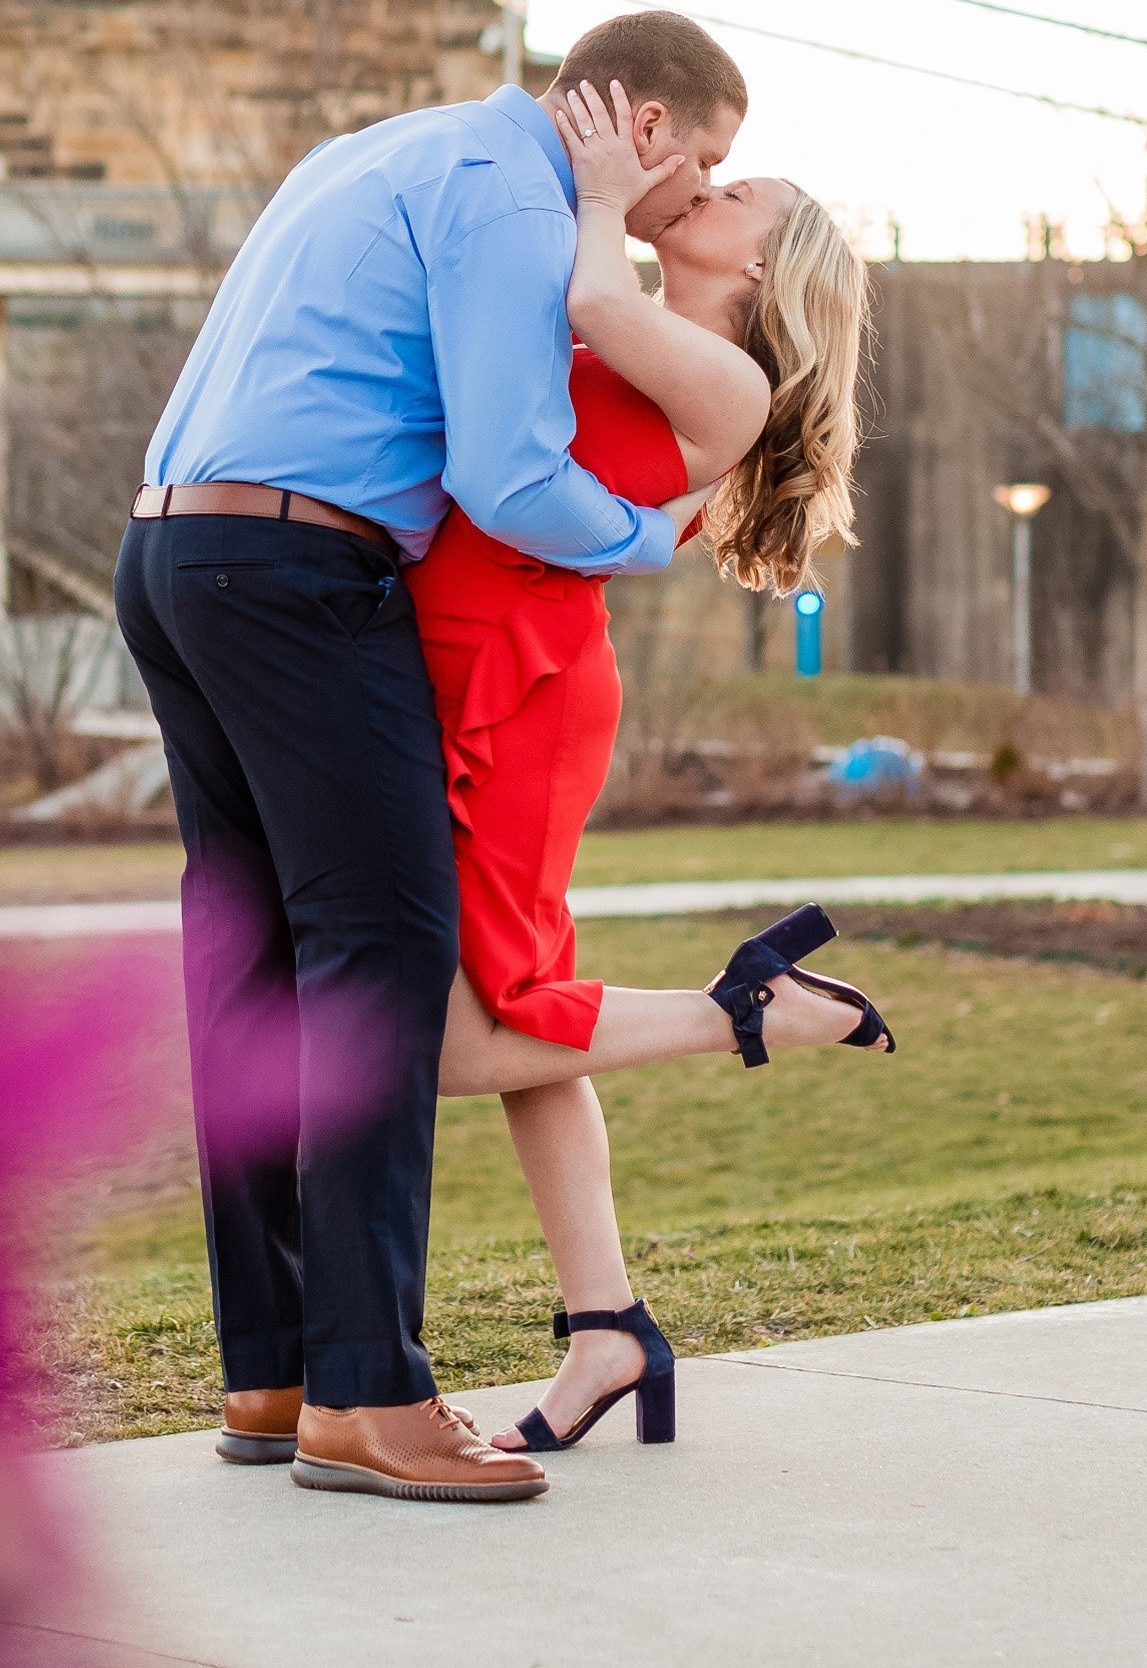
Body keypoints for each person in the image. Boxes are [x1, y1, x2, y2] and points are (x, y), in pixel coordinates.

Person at [113, 11, 741, 1505]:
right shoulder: (521, 200)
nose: (689, 199)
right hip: (300, 573)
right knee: (384, 949)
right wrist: (652, 536)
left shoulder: (388, 146)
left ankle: (271, 1370)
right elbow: (509, 470)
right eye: (703, 162)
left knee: (254, 968)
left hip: (175, 550)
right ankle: (368, 1396)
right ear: (644, 126)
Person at [415, 76, 882, 1457]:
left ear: (757, 268)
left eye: (740, 194)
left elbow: (587, 306)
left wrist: (604, 195)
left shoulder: (712, 370)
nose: (715, 189)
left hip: (523, 684)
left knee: (463, 1037)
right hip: (490, 664)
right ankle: (607, 1326)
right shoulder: (661, 345)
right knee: (529, 1017)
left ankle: (752, 1007)